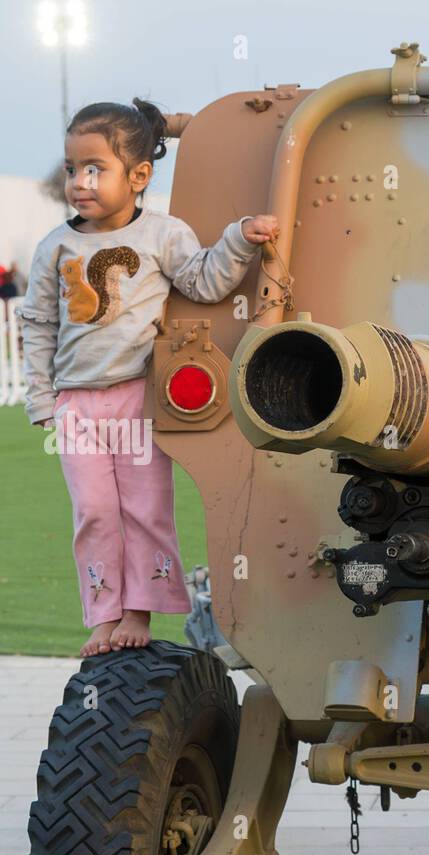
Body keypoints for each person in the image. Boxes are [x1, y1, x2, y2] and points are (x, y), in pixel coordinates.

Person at [17, 97, 278, 658]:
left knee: (145, 508)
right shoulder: (54, 247)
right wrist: (43, 397)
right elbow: (37, 322)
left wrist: (239, 238)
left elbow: (205, 282)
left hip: (139, 400)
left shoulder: (162, 234)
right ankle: (103, 612)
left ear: (139, 176)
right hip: (77, 407)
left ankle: (139, 610)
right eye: (71, 169)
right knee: (92, 512)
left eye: (95, 169)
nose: (79, 182)